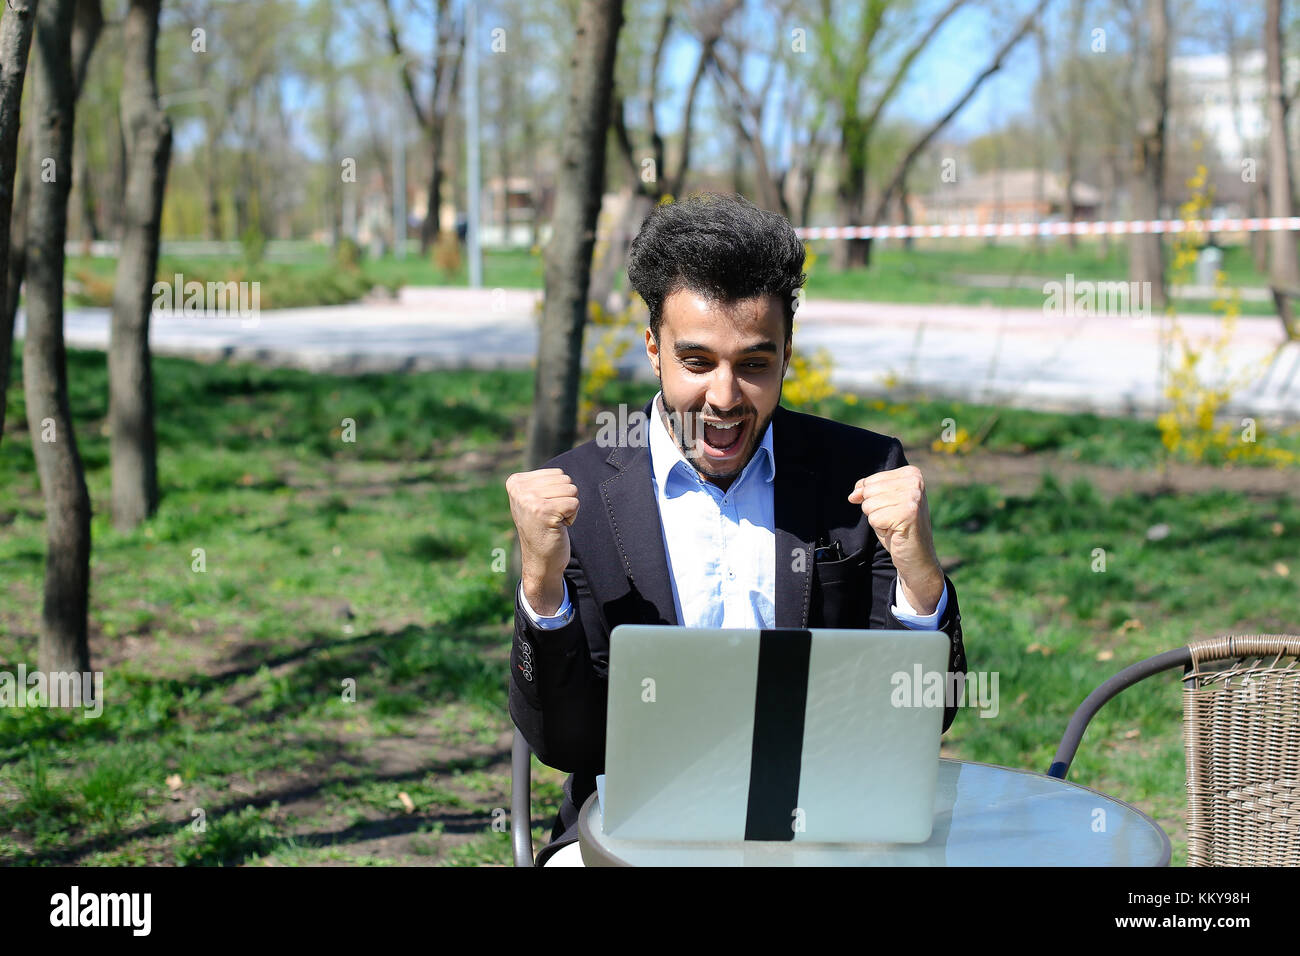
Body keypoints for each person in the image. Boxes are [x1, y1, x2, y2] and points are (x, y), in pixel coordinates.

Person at [505, 193, 968, 866]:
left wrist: (920, 576)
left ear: (786, 354)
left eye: (754, 363)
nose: (724, 398)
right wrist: (542, 587)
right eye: (697, 362)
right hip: (630, 828)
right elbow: (564, 744)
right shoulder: (579, 499)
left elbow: (927, 720)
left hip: (826, 827)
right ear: (653, 349)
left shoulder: (864, 472)